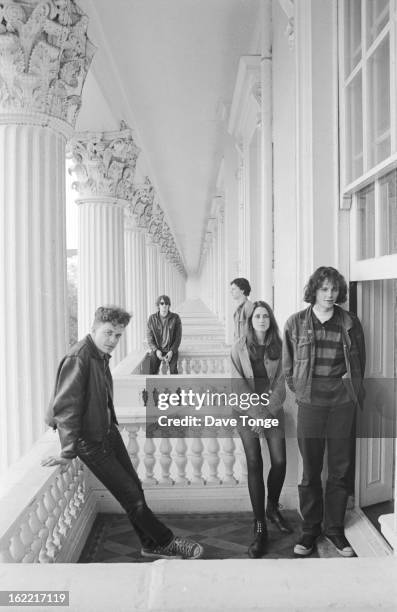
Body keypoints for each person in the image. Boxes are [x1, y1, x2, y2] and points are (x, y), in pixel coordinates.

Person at [42, 306, 203, 560]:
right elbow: (65, 408)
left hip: (107, 432)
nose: (113, 341)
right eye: (108, 333)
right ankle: (167, 542)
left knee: (135, 490)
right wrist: (67, 450)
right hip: (90, 442)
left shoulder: (99, 355)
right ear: (93, 329)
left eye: (118, 336)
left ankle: (149, 544)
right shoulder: (79, 358)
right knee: (132, 497)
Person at [283, 267, 365, 558]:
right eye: (324, 289)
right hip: (310, 405)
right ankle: (310, 529)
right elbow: (288, 368)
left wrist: (350, 392)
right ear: (314, 291)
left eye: (334, 290)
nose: (330, 295)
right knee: (311, 471)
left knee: (340, 470)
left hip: (342, 404)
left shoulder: (350, 323)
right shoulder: (294, 323)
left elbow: (359, 364)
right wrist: (303, 392)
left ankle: (334, 529)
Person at [231, 301, 292, 558]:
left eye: (266, 315)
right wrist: (255, 413)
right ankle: (260, 528)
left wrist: (265, 412)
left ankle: (272, 507)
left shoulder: (279, 346)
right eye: (257, 316)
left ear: (271, 319)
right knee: (255, 462)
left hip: (271, 410)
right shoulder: (237, 348)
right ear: (250, 320)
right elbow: (238, 385)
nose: (262, 319)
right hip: (245, 411)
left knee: (279, 461)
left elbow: (281, 384)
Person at [146, 295, 182, 374]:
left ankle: (174, 386)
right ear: (158, 305)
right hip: (157, 350)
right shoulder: (152, 319)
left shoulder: (175, 318)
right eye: (162, 303)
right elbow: (149, 337)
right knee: (152, 372)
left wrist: (172, 351)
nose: (164, 305)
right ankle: (153, 386)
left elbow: (178, 338)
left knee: (173, 371)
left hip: (171, 349)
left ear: (169, 305)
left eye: (167, 303)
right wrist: (156, 350)